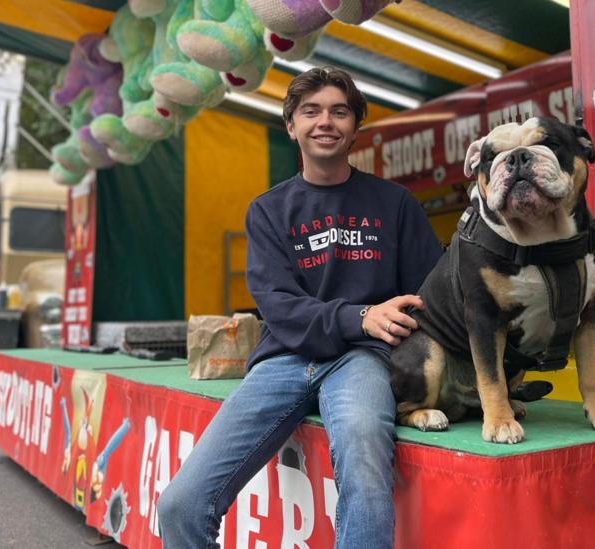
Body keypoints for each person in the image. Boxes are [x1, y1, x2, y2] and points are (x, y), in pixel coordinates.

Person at [158, 67, 444, 548]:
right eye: (310, 112)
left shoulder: (396, 204)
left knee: (365, 468)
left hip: (365, 359)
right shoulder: (269, 210)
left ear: (355, 126)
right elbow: (279, 307)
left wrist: (387, 326)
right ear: (291, 125)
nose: (325, 122)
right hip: (285, 358)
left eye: (339, 111)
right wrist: (359, 315)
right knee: (181, 505)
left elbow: (430, 297)